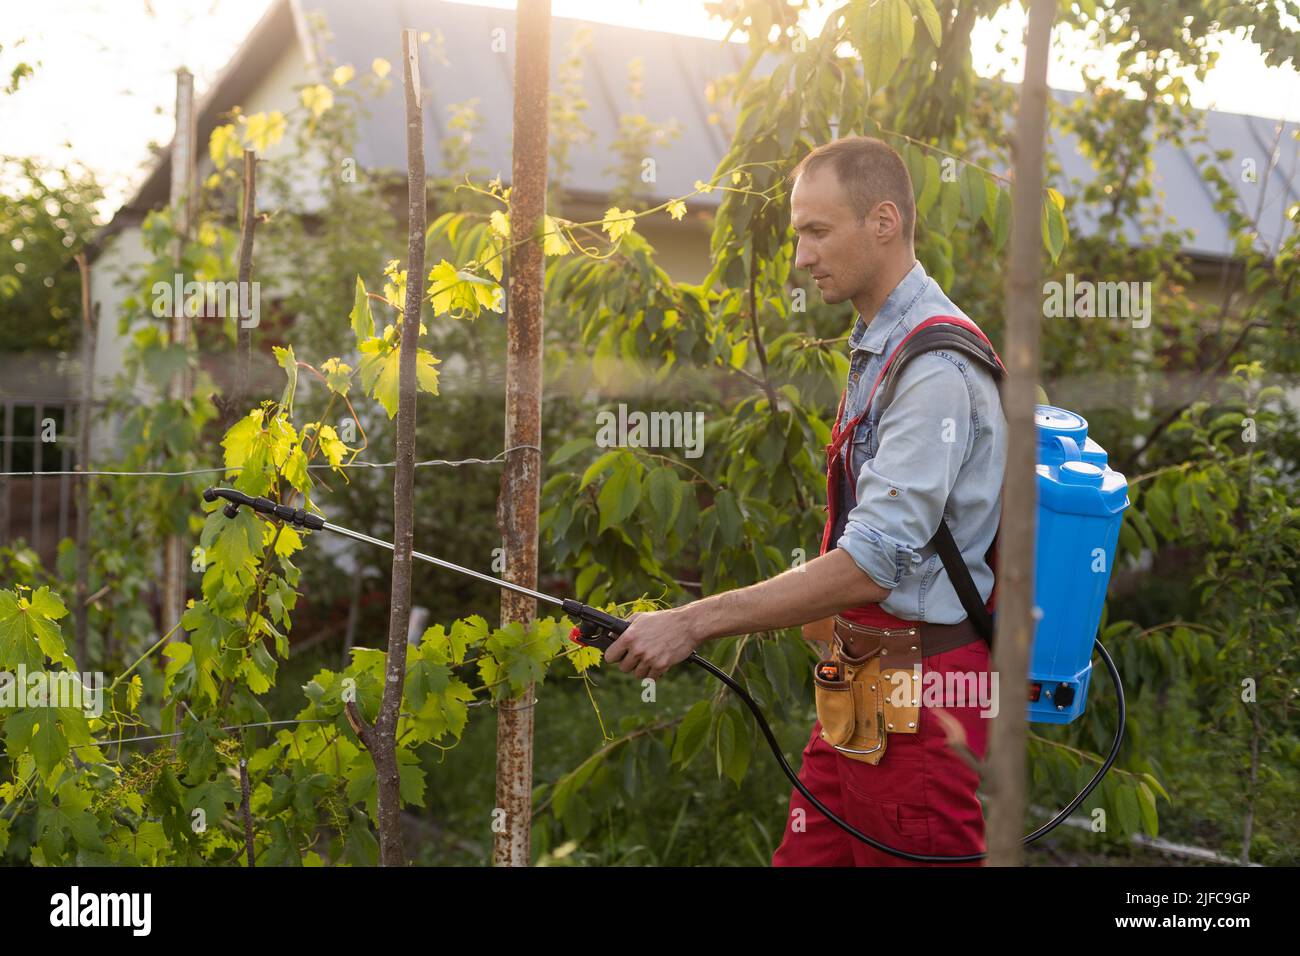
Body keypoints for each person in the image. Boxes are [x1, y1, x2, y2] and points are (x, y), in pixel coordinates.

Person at [605, 135, 1007, 866]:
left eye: (817, 231)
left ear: (883, 221)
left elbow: (875, 561)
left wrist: (692, 623)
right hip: (863, 680)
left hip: (920, 696)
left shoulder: (934, 366)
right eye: (800, 235)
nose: (801, 256)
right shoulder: (878, 344)